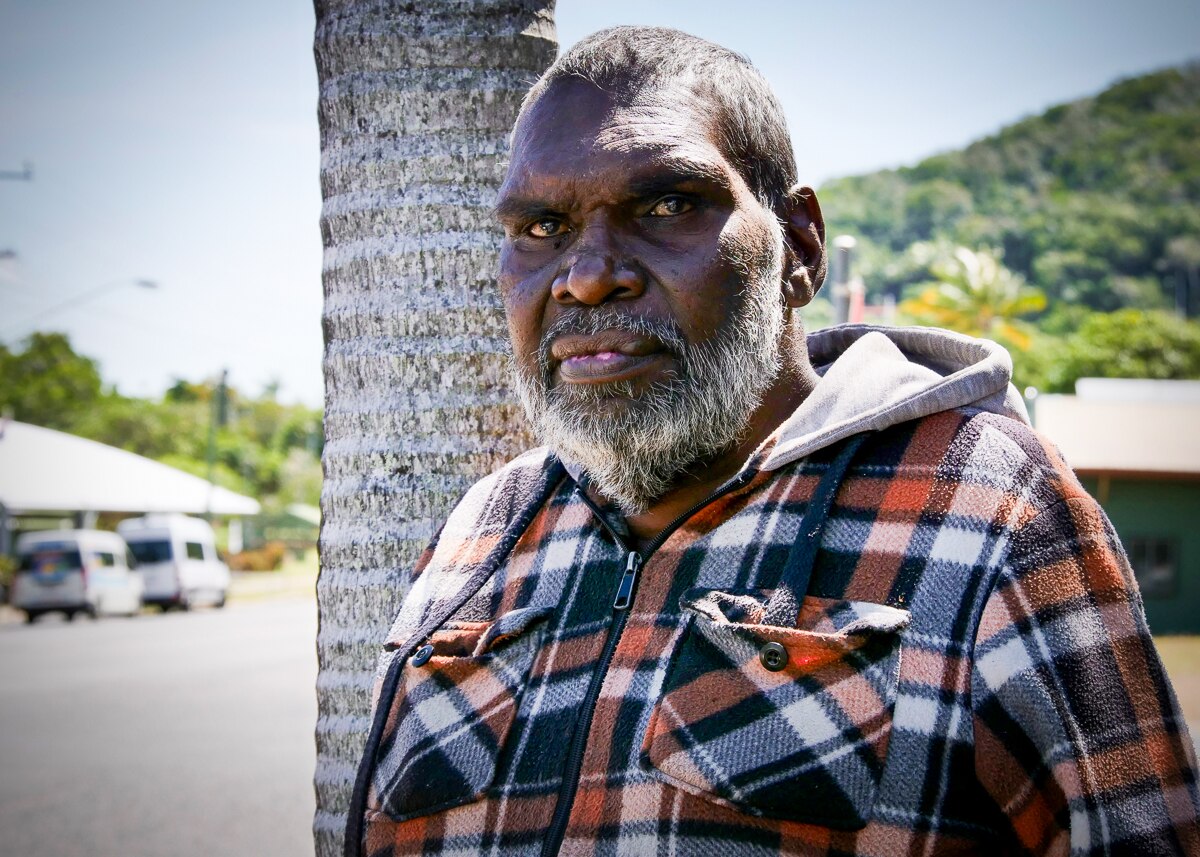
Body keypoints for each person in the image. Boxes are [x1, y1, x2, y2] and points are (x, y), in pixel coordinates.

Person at [344, 26, 1200, 857]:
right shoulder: (486, 526)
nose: (589, 273)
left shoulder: (988, 503)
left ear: (799, 245)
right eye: (542, 228)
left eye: (667, 204)